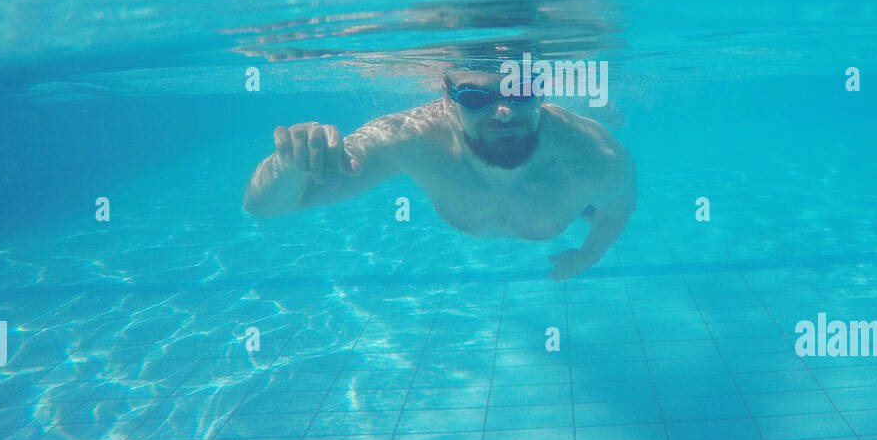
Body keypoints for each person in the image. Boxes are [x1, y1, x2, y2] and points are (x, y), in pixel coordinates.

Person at [242, 65, 636, 280]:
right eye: (476, 96)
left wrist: (588, 257)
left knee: (591, 194)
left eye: (520, 92)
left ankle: (598, 105)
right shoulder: (409, 139)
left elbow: (617, 211)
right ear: (448, 97)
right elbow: (263, 207)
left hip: (569, 168)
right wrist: (291, 163)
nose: (503, 111)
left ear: (542, 92)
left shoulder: (596, 155)